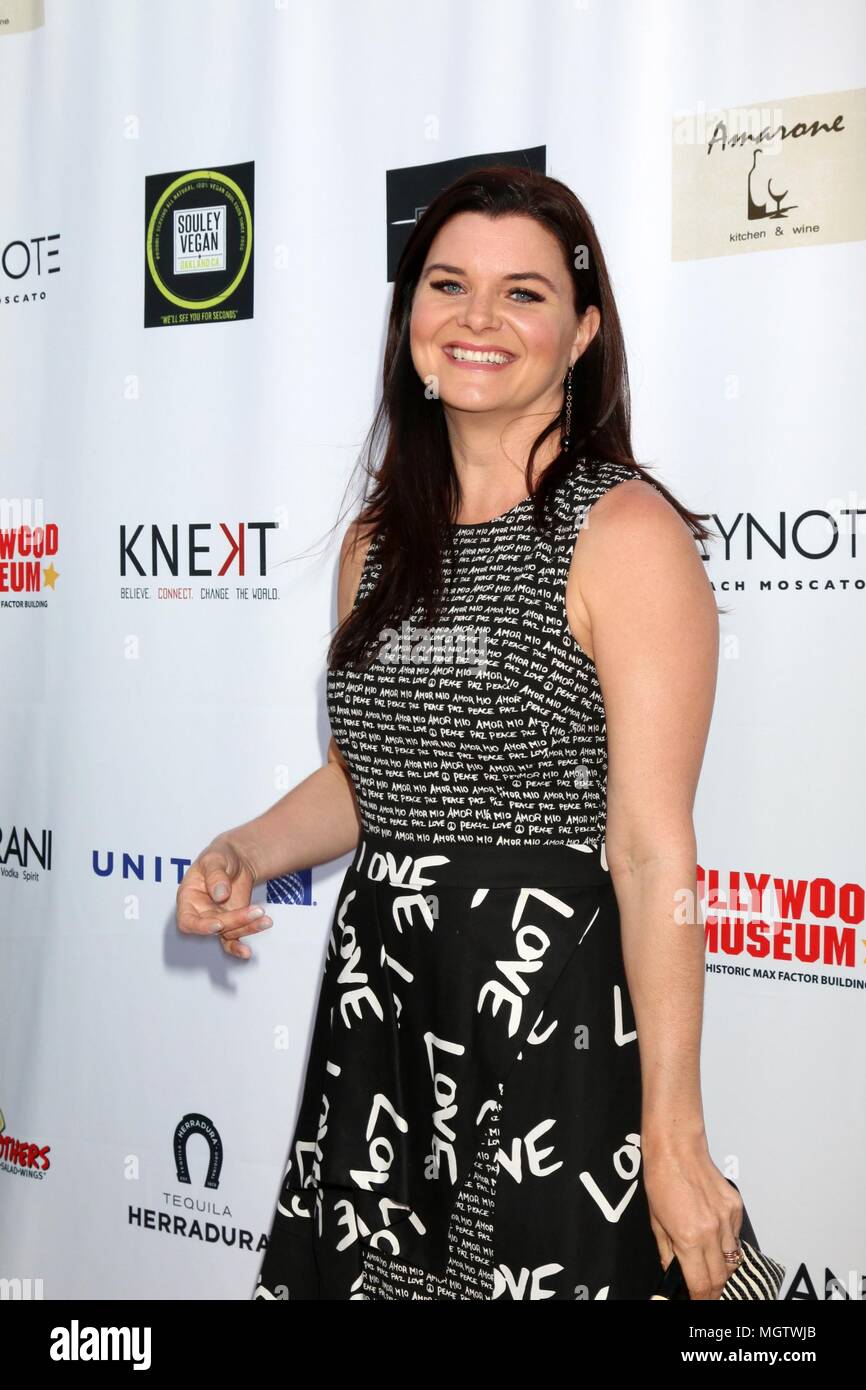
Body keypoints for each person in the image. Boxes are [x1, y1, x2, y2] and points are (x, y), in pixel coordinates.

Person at [176, 165, 740, 1301]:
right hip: (386, 1010)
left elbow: (647, 849)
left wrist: (671, 1129)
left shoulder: (621, 532)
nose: (478, 319)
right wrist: (243, 847)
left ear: (581, 331)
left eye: (522, 293)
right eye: (448, 284)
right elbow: (369, 783)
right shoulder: (376, 542)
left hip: (546, 1015)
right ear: (410, 319)